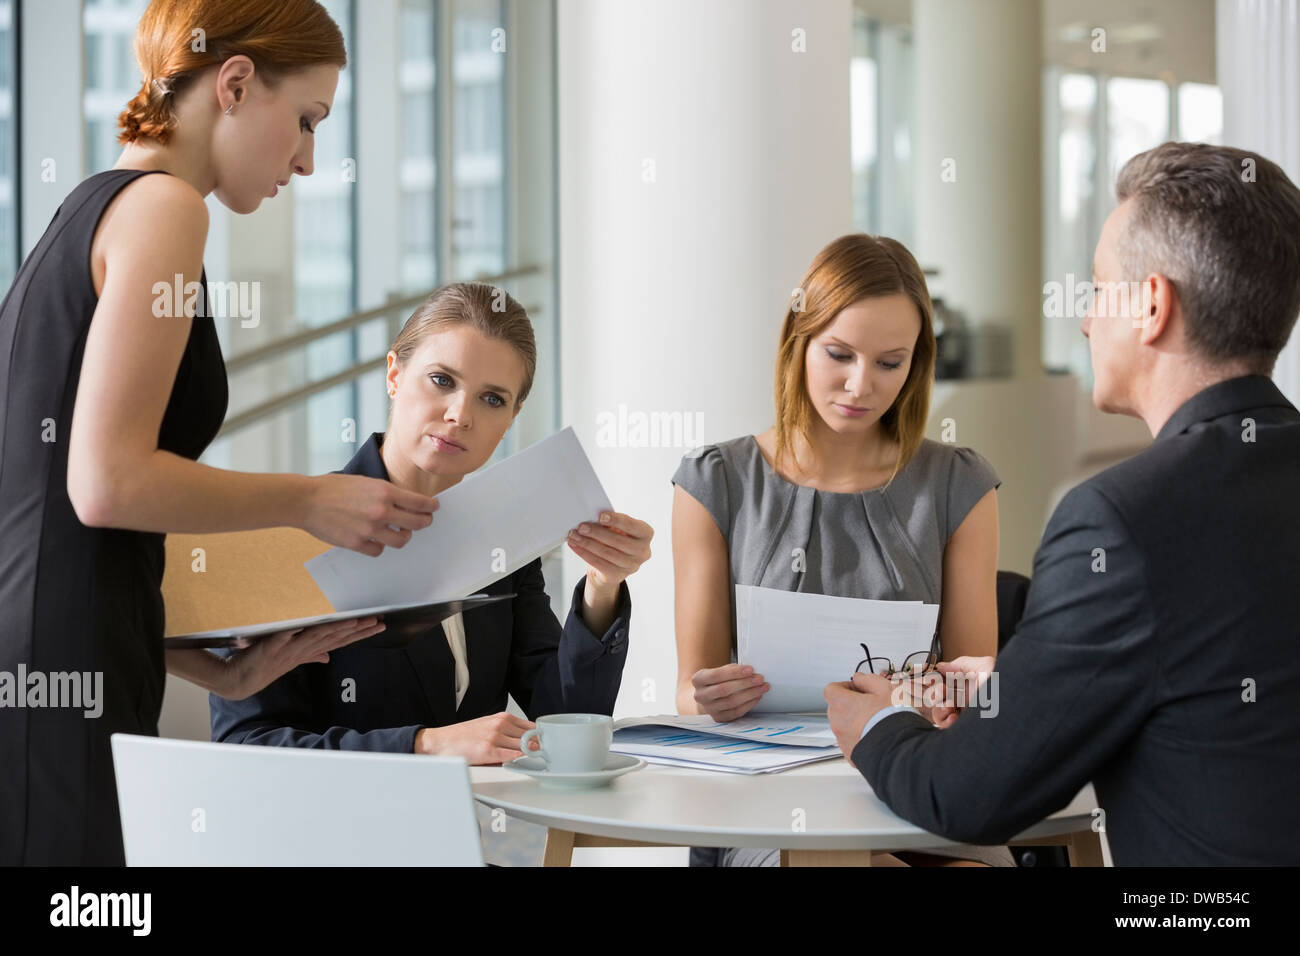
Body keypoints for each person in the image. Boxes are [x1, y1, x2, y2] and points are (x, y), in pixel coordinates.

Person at [0, 0, 442, 866]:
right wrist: (311, 499)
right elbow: (105, 484)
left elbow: (46, 510)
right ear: (234, 83)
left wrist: (215, 669)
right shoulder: (166, 208)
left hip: (62, 657)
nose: (309, 159)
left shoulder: (84, 211)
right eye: (307, 120)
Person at [828, 141, 1300, 866]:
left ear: (1150, 306)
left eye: (1097, 289)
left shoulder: (1122, 519)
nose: (1083, 321)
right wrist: (1024, 683)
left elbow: (967, 797)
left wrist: (879, 724)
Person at [672, 234, 1011, 867]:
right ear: (798, 341)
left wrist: (943, 694)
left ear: (917, 363)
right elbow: (690, 694)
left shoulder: (959, 484)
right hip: (770, 802)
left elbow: (974, 684)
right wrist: (710, 697)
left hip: (917, 781)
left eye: (890, 361)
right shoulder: (715, 480)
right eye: (839, 353)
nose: (860, 385)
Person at [211, 283, 653, 760]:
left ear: (512, 417)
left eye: (492, 400)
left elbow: (565, 719)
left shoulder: (502, 539)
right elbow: (246, 745)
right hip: (330, 828)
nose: (460, 414)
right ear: (394, 374)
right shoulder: (289, 535)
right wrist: (425, 745)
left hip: (474, 828)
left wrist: (602, 586)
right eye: (442, 380)